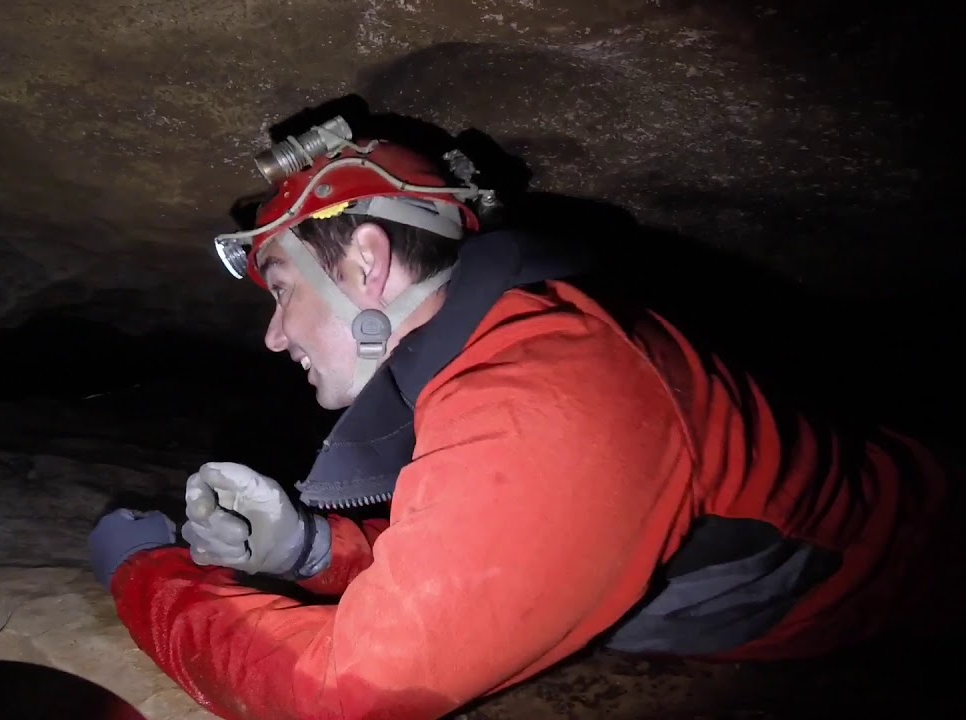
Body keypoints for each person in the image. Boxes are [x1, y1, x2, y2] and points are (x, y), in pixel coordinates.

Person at [86, 116, 962, 720]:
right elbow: (483, 543)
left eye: (279, 291)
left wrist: (148, 575)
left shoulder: (550, 393)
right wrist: (311, 550)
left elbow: (346, 697)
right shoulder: (500, 355)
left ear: (365, 261)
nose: (274, 336)